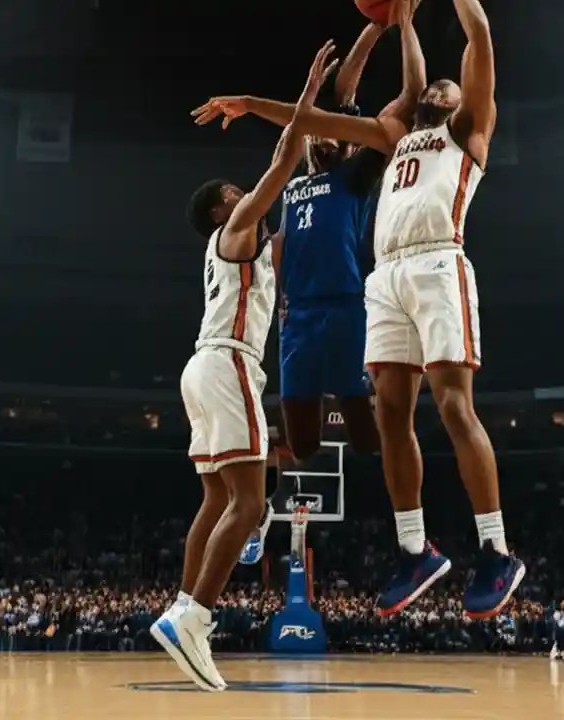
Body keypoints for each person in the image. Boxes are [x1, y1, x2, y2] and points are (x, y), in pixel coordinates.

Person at [193, 0, 522, 619]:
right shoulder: (395, 137)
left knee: (452, 404)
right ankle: (414, 548)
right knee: (391, 413)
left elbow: (476, 35)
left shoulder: (468, 129)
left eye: (448, 87)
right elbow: (315, 117)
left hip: (436, 263)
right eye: (436, 86)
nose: (440, 89)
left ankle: (496, 548)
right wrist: (251, 102)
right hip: (386, 278)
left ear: (460, 100)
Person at [149, 42, 339, 693]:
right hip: (228, 365)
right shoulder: (232, 231)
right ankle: (195, 615)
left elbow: (287, 233)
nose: (242, 192)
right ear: (218, 211)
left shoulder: (241, 243)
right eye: (233, 193)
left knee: (217, 498)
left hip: (204, 367)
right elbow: (283, 162)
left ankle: (182, 602)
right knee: (254, 498)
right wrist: (307, 97)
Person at [192, 16, 411, 567]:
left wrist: (377, 28)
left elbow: (345, 92)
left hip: (341, 306)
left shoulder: (354, 174)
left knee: (364, 436)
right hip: (292, 323)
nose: (320, 134)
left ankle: (398, 498)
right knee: (301, 440)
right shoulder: (286, 190)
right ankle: (259, 514)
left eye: (330, 129)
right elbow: (282, 233)